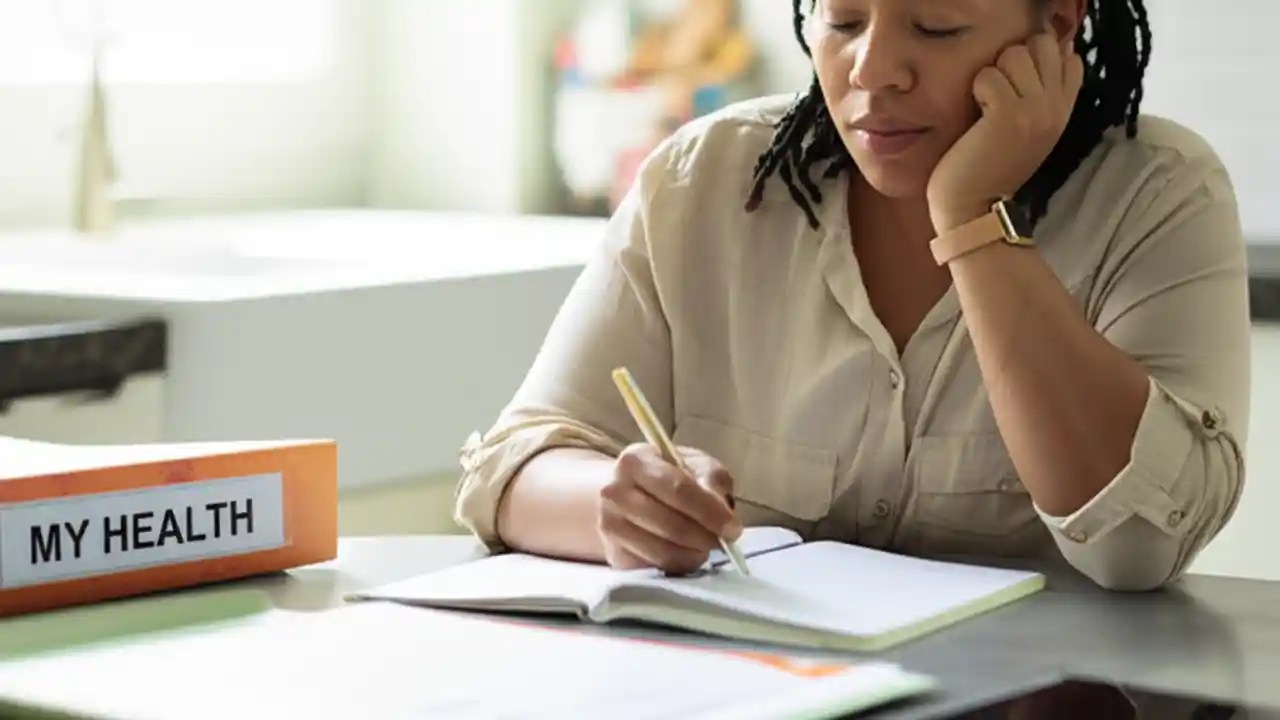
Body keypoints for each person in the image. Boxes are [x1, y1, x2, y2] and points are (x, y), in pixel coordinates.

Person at [455, 0, 1251, 592]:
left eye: (936, 26)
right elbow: (513, 470)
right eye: (842, 21)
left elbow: (1136, 548)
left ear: (1054, 25)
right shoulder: (703, 183)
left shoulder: (1158, 196)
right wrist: (616, 503)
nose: (872, 70)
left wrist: (971, 219)